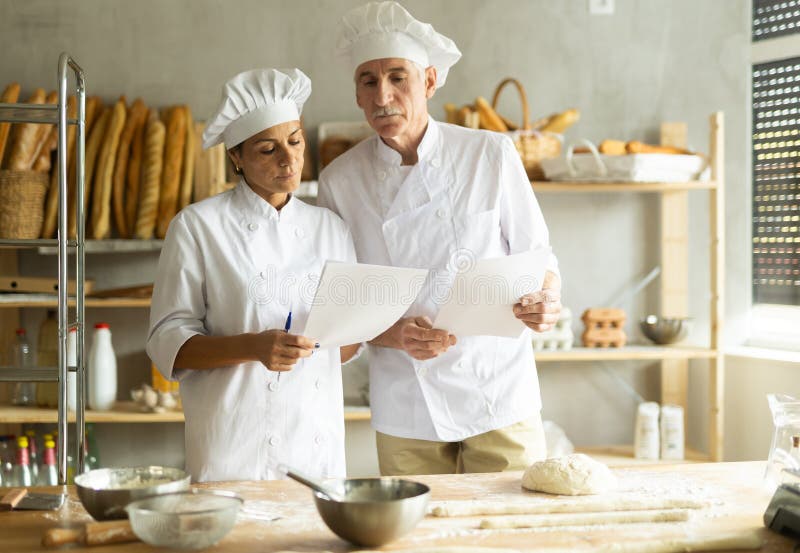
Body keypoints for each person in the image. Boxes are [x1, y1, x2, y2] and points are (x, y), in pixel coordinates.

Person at [318, 1, 562, 476]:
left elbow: (538, 257)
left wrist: (546, 300)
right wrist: (393, 333)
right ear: (357, 95)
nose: (383, 95)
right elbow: (341, 299)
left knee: (514, 534)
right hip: (406, 402)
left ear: (428, 81)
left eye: (397, 77)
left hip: (498, 390)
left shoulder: (488, 154)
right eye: (368, 81)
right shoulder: (339, 181)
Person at [147, 68, 359, 482]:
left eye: (295, 141)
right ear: (236, 158)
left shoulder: (331, 228)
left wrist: (363, 325)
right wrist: (253, 346)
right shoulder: (198, 227)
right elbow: (167, 343)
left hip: (316, 447)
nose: (288, 158)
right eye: (267, 149)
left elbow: (345, 347)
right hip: (233, 448)